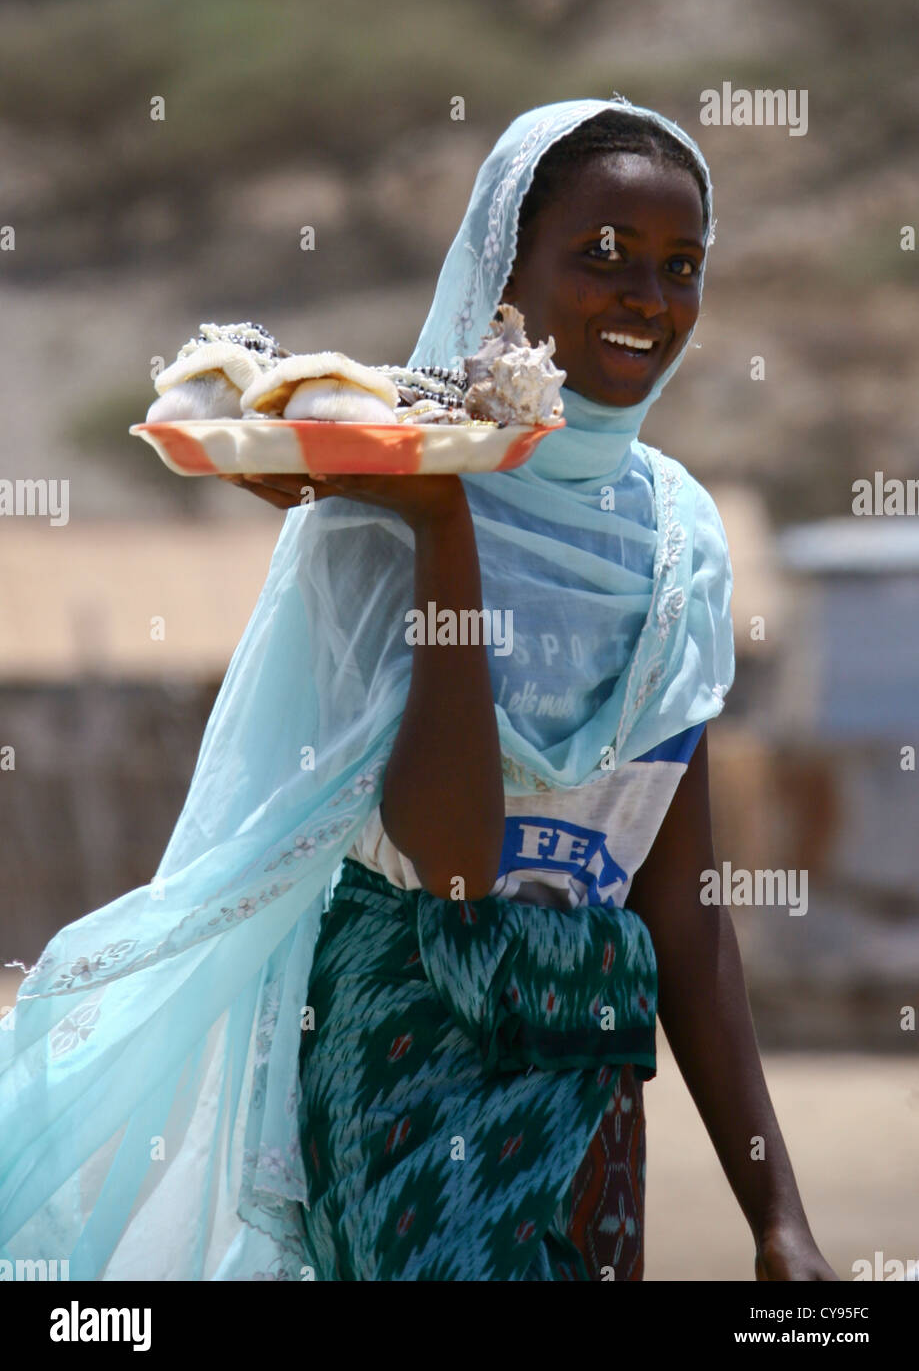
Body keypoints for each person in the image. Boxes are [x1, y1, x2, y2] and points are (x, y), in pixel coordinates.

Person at [0, 97, 837, 1282]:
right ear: (505, 280)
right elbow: (451, 862)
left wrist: (777, 1215)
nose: (646, 294)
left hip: (589, 1077)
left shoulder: (678, 542)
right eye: (601, 256)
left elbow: (684, 912)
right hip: (406, 1066)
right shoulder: (378, 505)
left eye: (679, 265)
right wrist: (445, 516)